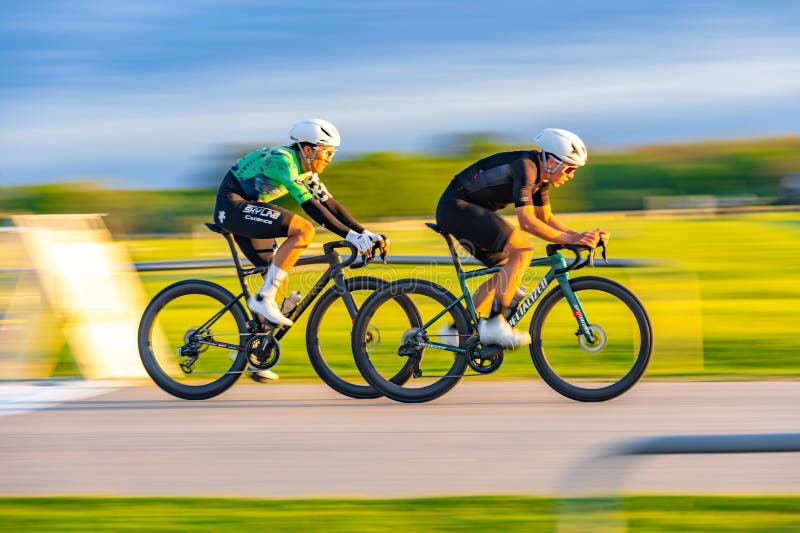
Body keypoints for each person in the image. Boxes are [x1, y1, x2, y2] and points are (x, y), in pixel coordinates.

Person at [214, 119, 386, 379]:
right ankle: (262, 300)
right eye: (326, 152)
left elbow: (330, 204)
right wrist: (350, 236)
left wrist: (364, 233)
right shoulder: (284, 161)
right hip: (233, 206)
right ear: (307, 150)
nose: (329, 158)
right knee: (304, 230)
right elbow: (311, 208)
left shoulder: (307, 173)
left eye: (332, 154)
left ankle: (252, 353)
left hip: (250, 208)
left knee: (276, 276)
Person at [435, 128, 609, 348]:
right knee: (523, 250)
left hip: (470, 211)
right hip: (456, 208)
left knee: (505, 270)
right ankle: (495, 325)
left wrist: (581, 236)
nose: (571, 175)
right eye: (570, 169)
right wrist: (572, 240)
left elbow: (544, 217)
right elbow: (527, 222)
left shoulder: (541, 178)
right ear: (553, 162)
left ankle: (454, 330)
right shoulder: (525, 167)